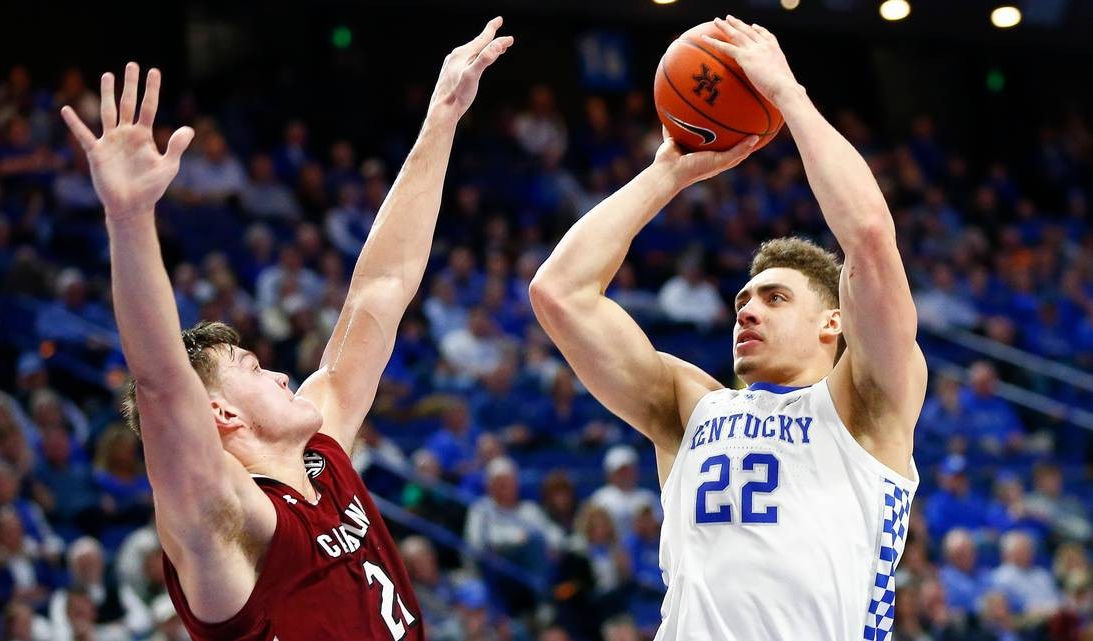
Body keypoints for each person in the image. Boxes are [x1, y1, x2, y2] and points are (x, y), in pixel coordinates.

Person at [58, 17, 512, 641]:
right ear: (221, 414)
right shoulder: (230, 522)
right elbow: (162, 382)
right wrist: (130, 218)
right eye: (251, 368)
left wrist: (441, 119)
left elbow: (381, 286)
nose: (277, 372)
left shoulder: (322, 452)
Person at [530, 16, 925, 641]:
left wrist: (789, 97)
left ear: (834, 322)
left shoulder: (865, 404)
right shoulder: (691, 409)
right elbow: (560, 293)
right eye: (744, 298)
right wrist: (669, 174)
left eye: (773, 297)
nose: (747, 310)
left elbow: (871, 238)